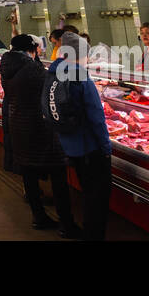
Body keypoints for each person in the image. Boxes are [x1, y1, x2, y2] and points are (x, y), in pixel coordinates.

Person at [3, 34, 79, 236]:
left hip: (19, 124)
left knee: (28, 172)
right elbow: (53, 95)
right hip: (40, 128)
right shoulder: (33, 69)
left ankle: (39, 216)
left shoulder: (8, 66)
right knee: (58, 175)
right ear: (33, 49)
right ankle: (66, 224)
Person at [47, 32, 112, 240]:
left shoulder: (54, 72)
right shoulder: (81, 77)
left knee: (86, 191)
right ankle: (93, 235)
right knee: (96, 197)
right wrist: (106, 148)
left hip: (68, 142)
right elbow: (96, 118)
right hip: (89, 147)